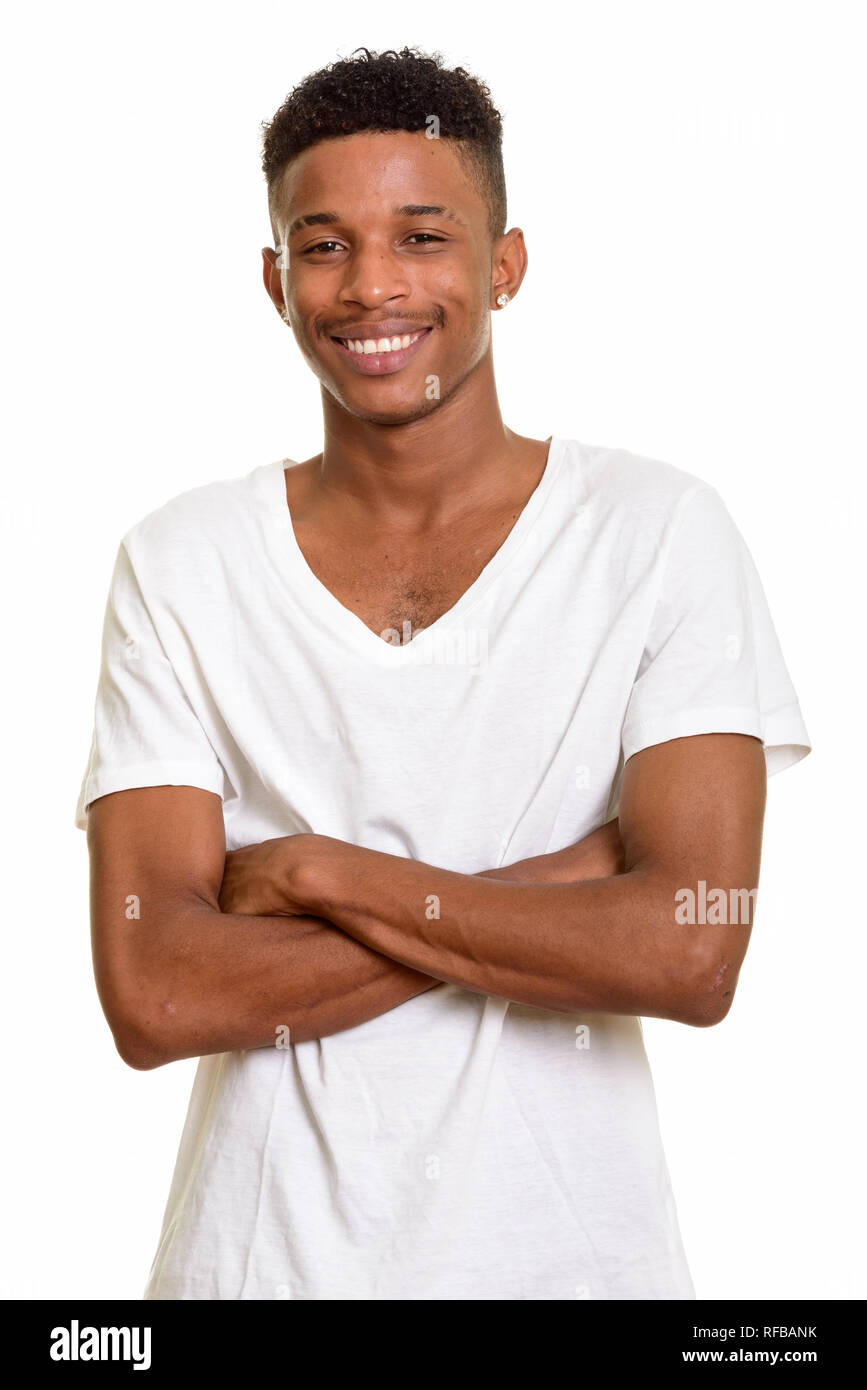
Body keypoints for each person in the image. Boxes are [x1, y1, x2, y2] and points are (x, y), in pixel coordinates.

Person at [75, 46, 812, 1300]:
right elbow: (155, 992)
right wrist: (566, 892)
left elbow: (691, 953)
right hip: (255, 1277)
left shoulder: (657, 534)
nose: (372, 288)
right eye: (324, 246)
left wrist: (322, 873)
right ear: (274, 279)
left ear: (504, 264)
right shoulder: (181, 563)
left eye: (422, 236)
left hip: (578, 1274)